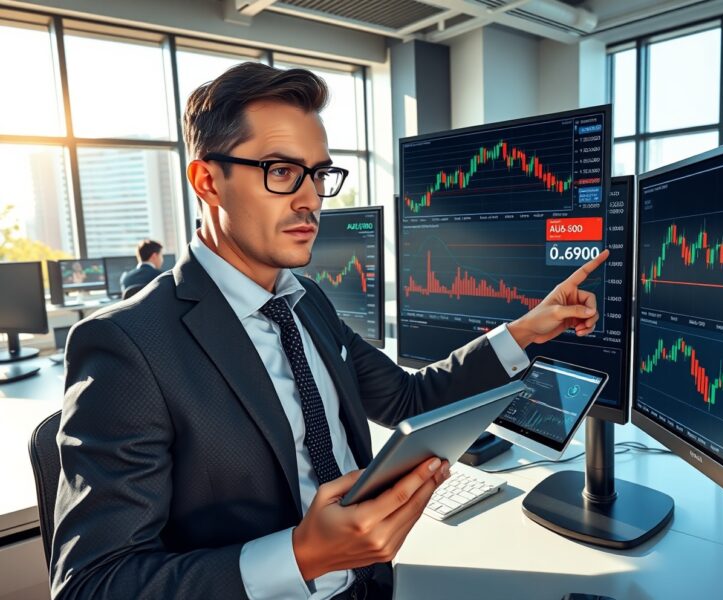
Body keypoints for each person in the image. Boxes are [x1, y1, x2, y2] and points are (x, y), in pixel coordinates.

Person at [51, 62, 607, 600]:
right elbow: (93, 584)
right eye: (281, 170)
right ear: (207, 181)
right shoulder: (128, 344)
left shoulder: (306, 300)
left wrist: (528, 330)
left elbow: (406, 397)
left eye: (319, 174)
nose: (311, 198)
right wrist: (301, 555)